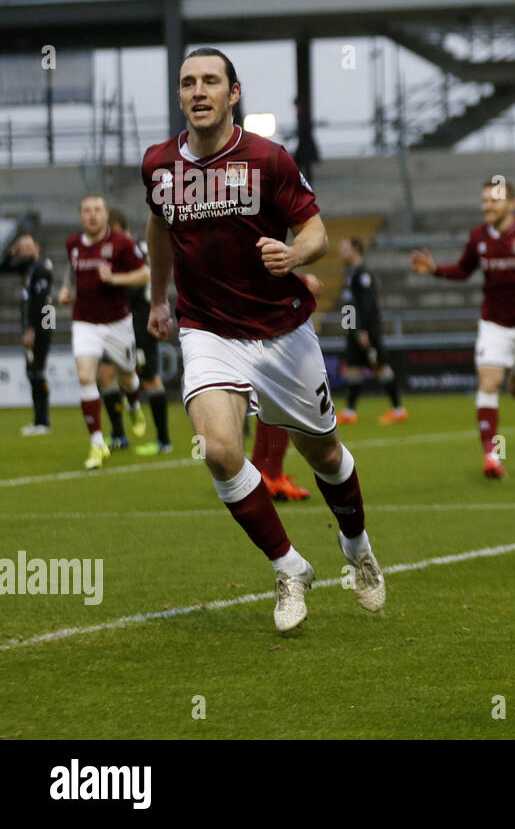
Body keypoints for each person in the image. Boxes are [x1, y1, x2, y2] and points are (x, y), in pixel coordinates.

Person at [142, 45, 385, 631]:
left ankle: (357, 548)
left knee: (323, 452)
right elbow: (157, 225)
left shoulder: (269, 159)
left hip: (281, 332)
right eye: (187, 83)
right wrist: (156, 297)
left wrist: (292, 253)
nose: (198, 91)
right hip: (207, 329)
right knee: (221, 451)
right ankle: (289, 567)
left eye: (210, 82)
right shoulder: (157, 165)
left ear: (234, 92)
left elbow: (316, 233)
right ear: (179, 96)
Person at [411, 177, 515, 479]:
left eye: (493, 200)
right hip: (493, 324)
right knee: (488, 383)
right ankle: (492, 456)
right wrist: (435, 270)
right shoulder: (478, 237)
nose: (487, 205)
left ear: (511, 204)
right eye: (484, 200)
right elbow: (463, 269)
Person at [57, 194, 150, 469]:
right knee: (86, 376)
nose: (92, 215)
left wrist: (116, 278)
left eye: (97, 210)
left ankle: (133, 405)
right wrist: (65, 289)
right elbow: (71, 271)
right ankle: (97, 444)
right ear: (81, 215)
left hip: (117, 323)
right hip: (84, 322)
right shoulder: (73, 243)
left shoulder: (120, 243)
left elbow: (144, 274)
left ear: (106, 214)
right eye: (87, 210)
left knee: (128, 377)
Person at [106, 208, 173, 455]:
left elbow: (144, 280)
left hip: (142, 320)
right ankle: (118, 435)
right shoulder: (117, 251)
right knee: (107, 373)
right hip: (118, 322)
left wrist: (113, 282)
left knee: (148, 377)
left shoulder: (137, 249)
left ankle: (164, 440)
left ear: (115, 228)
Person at [254, 272, 323, 502]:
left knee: (268, 405)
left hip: (255, 331)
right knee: (283, 404)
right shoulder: (259, 243)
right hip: (273, 333)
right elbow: (259, 258)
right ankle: (273, 476)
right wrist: (302, 281)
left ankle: (260, 472)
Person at [336, 237, 406, 425]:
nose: (340, 251)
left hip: (365, 331)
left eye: (344, 247)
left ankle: (398, 409)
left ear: (356, 250)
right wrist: (350, 328)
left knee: (380, 366)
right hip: (353, 330)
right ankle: (349, 412)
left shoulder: (363, 275)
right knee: (353, 369)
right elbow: (349, 305)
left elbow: (368, 305)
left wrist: (362, 330)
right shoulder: (350, 273)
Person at [1, 233, 55, 435]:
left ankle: (43, 422)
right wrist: (11, 251)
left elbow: (41, 302)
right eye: (21, 247)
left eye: (27, 246)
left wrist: (32, 329)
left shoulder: (42, 268)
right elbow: (2, 267)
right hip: (34, 326)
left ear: (37, 247)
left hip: (43, 325)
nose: (23, 250)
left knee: (37, 371)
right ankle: (38, 420)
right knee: (32, 371)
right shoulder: (26, 268)